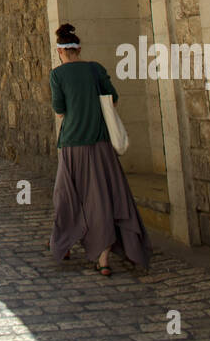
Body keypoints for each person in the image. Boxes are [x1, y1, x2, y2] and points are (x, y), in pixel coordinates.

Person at [48, 22, 152, 276]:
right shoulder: (95, 70)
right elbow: (112, 100)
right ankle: (104, 259)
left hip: (72, 145)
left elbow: (60, 110)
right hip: (100, 144)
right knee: (102, 199)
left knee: (67, 196)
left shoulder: (58, 76)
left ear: (60, 51)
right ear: (79, 48)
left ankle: (65, 242)